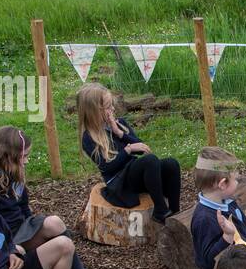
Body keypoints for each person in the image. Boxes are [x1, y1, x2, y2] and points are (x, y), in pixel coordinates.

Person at [0, 125, 112, 269]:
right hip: (1, 238)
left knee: (54, 225)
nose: (26, 161)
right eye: (23, 156)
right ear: (7, 154)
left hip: (20, 230)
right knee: (53, 233)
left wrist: (35, 228)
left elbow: (23, 208)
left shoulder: (14, 171)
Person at [77, 82, 181, 224]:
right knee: (149, 161)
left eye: (112, 105)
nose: (113, 109)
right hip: (120, 183)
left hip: (134, 174)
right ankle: (160, 211)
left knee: (171, 164)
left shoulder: (119, 124)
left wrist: (120, 133)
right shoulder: (89, 137)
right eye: (108, 107)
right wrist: (127, 150)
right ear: (94, 111)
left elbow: (140, 147)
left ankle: (175, 212)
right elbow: (107, 167)